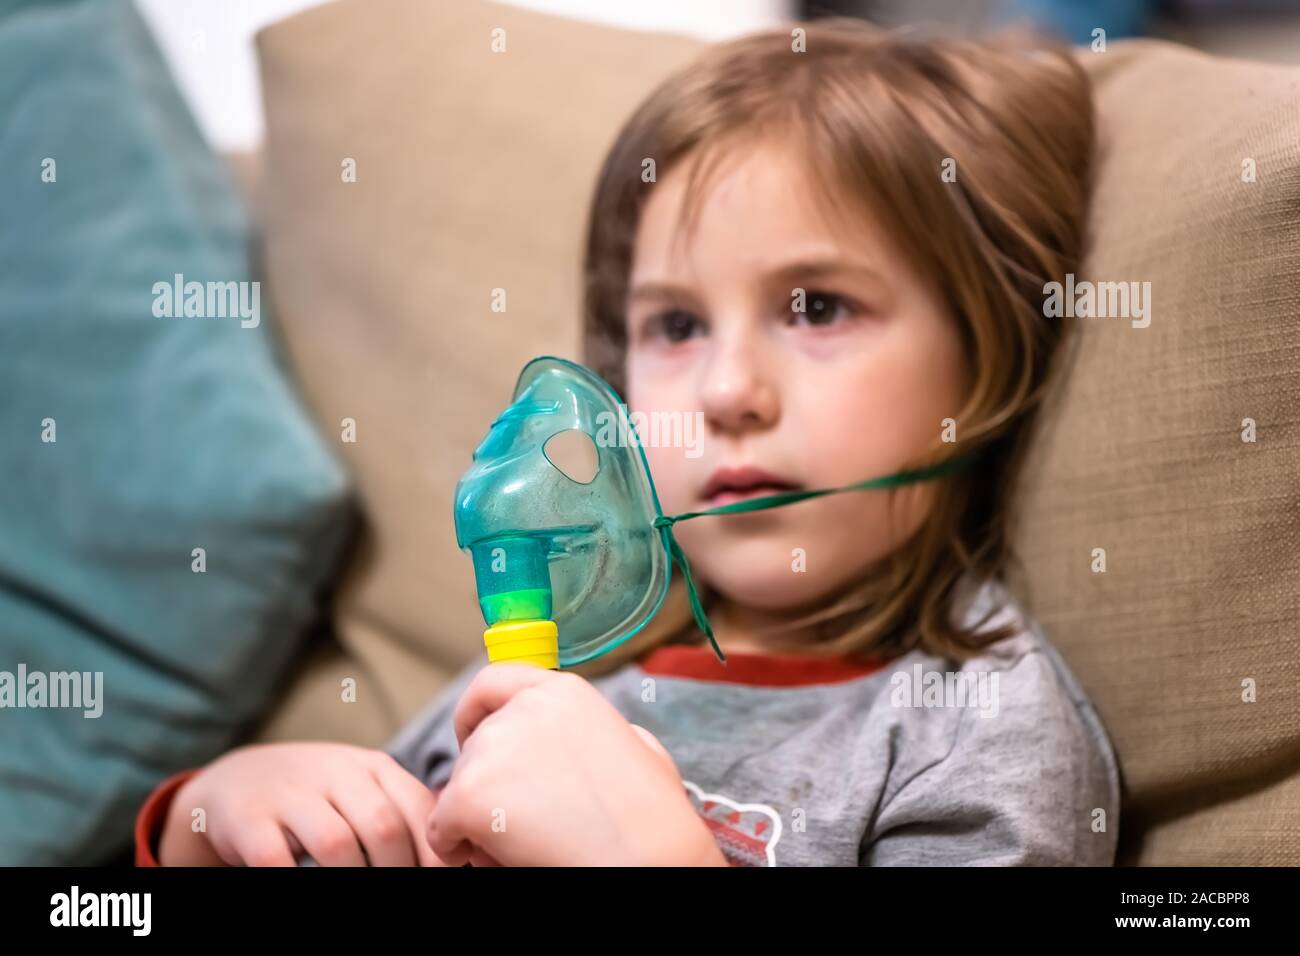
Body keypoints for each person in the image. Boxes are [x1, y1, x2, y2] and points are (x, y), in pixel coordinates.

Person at [135, 19, 1119, 867]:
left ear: (984, 353)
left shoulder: (976, 737)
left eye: (816, 306)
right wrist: (211, 814)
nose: (726, 392)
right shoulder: (565, 663)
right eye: (675, 326)